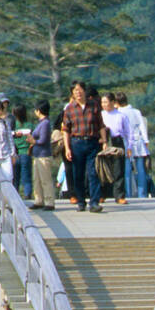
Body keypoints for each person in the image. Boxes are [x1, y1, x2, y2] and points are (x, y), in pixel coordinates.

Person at [60, 80, 104, 212]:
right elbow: (65, 130)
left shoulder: (94, 105)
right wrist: (67, 148)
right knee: (78, 174)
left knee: (93, 173)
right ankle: (81, 201)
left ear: (84, 91)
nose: (78, 93)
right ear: (72, 93)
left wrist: (105, 141)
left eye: (80, 90)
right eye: (75, 91)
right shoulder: (69, 108)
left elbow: (101, 124)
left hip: (92, 142)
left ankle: (94, 202)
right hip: (76, 143)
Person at [117, 93, 150, 199]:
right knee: (141, 169)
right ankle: (142, 194)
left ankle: (128, 194)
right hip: (138, 141)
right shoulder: (136, 112)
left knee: (126, 170)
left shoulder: (118, 113)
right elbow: (142, 126)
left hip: (126, 142)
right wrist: (146, 140)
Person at [99, 93, 129, 205]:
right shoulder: (100, 115)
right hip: (104, 141)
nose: (104, 104)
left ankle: (119, 195)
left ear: (113, 102)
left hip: (117, 141)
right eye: (102, 102)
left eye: (106, 102)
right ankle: (102, 194)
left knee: (118, 169)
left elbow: (128, 132)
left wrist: (129, 146)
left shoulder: (121, 115)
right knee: (104, 169)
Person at [29, 100, 56, 210]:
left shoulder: (45, 123)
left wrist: (33, 141)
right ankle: (39, 200)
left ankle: (49, 202)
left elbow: (43, 140)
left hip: (44, 155)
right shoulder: (41, 123)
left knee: (45, 180)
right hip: (37, 155)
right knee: (37, 180)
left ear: (38, 111)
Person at [12, 104, 33, 199]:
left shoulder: (13, 126)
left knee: (15, 178)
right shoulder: (29, 125)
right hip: (26, 153)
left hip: (15, 154)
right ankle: (27, 194)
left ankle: (14, 195)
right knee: (26, 177)